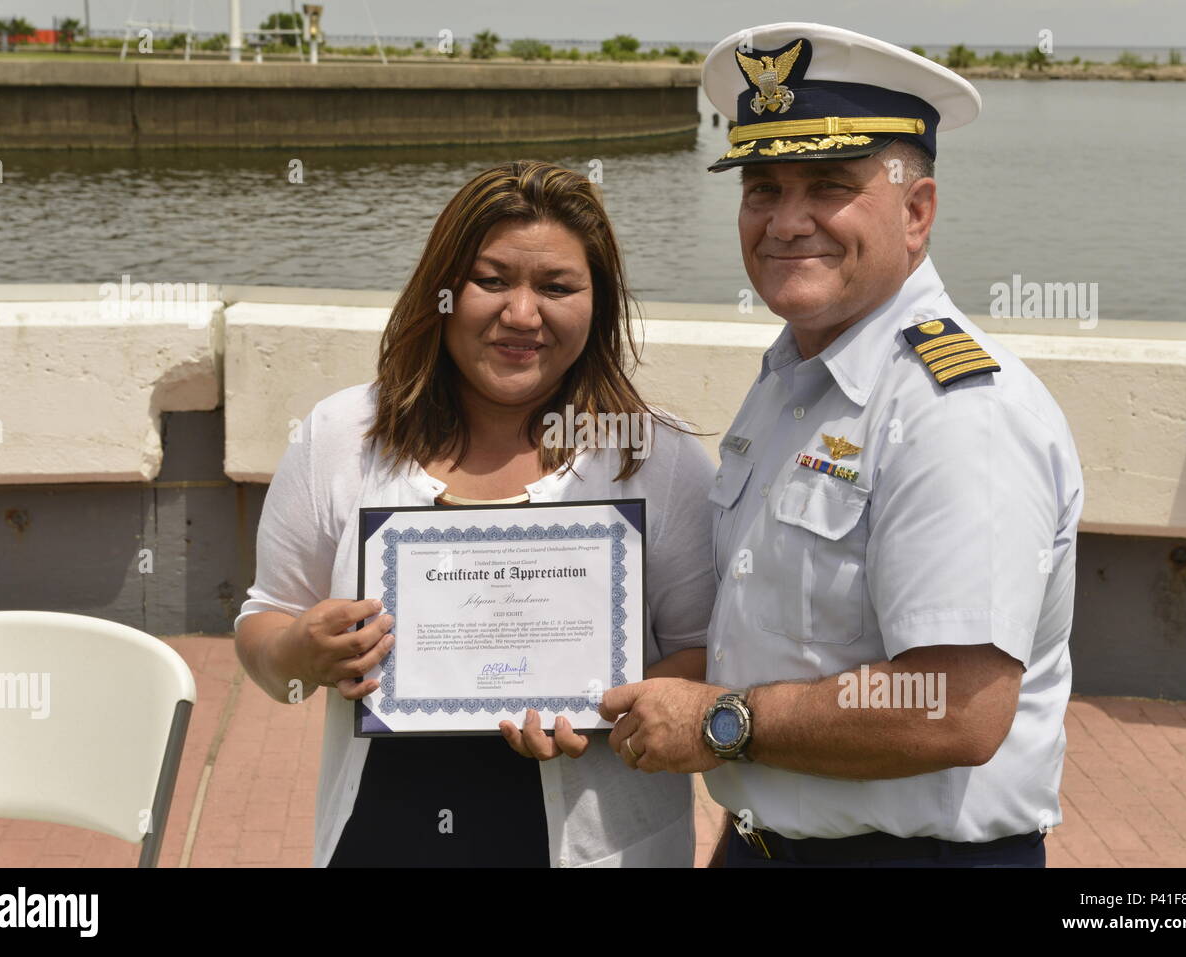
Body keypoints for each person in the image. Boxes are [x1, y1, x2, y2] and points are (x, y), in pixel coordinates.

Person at [599, 21, 1085, 868]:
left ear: (917, 210)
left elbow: (957, 707)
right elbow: (773, 638)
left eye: (828, 185)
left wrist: (723, 722)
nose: (788, 222)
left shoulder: (954, 413)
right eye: (762, 188)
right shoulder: (794, 378)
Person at [234, 160, 717, 867]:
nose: (522, 315)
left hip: (601, 843)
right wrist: (298, 652)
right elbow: (266, 624)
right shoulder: (338, 436)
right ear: (443, 290)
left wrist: (608, 703)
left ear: (599, 303)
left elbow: (709, 651)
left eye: (557, 287)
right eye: (492, 280)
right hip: (379, 834)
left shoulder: (656, 458)